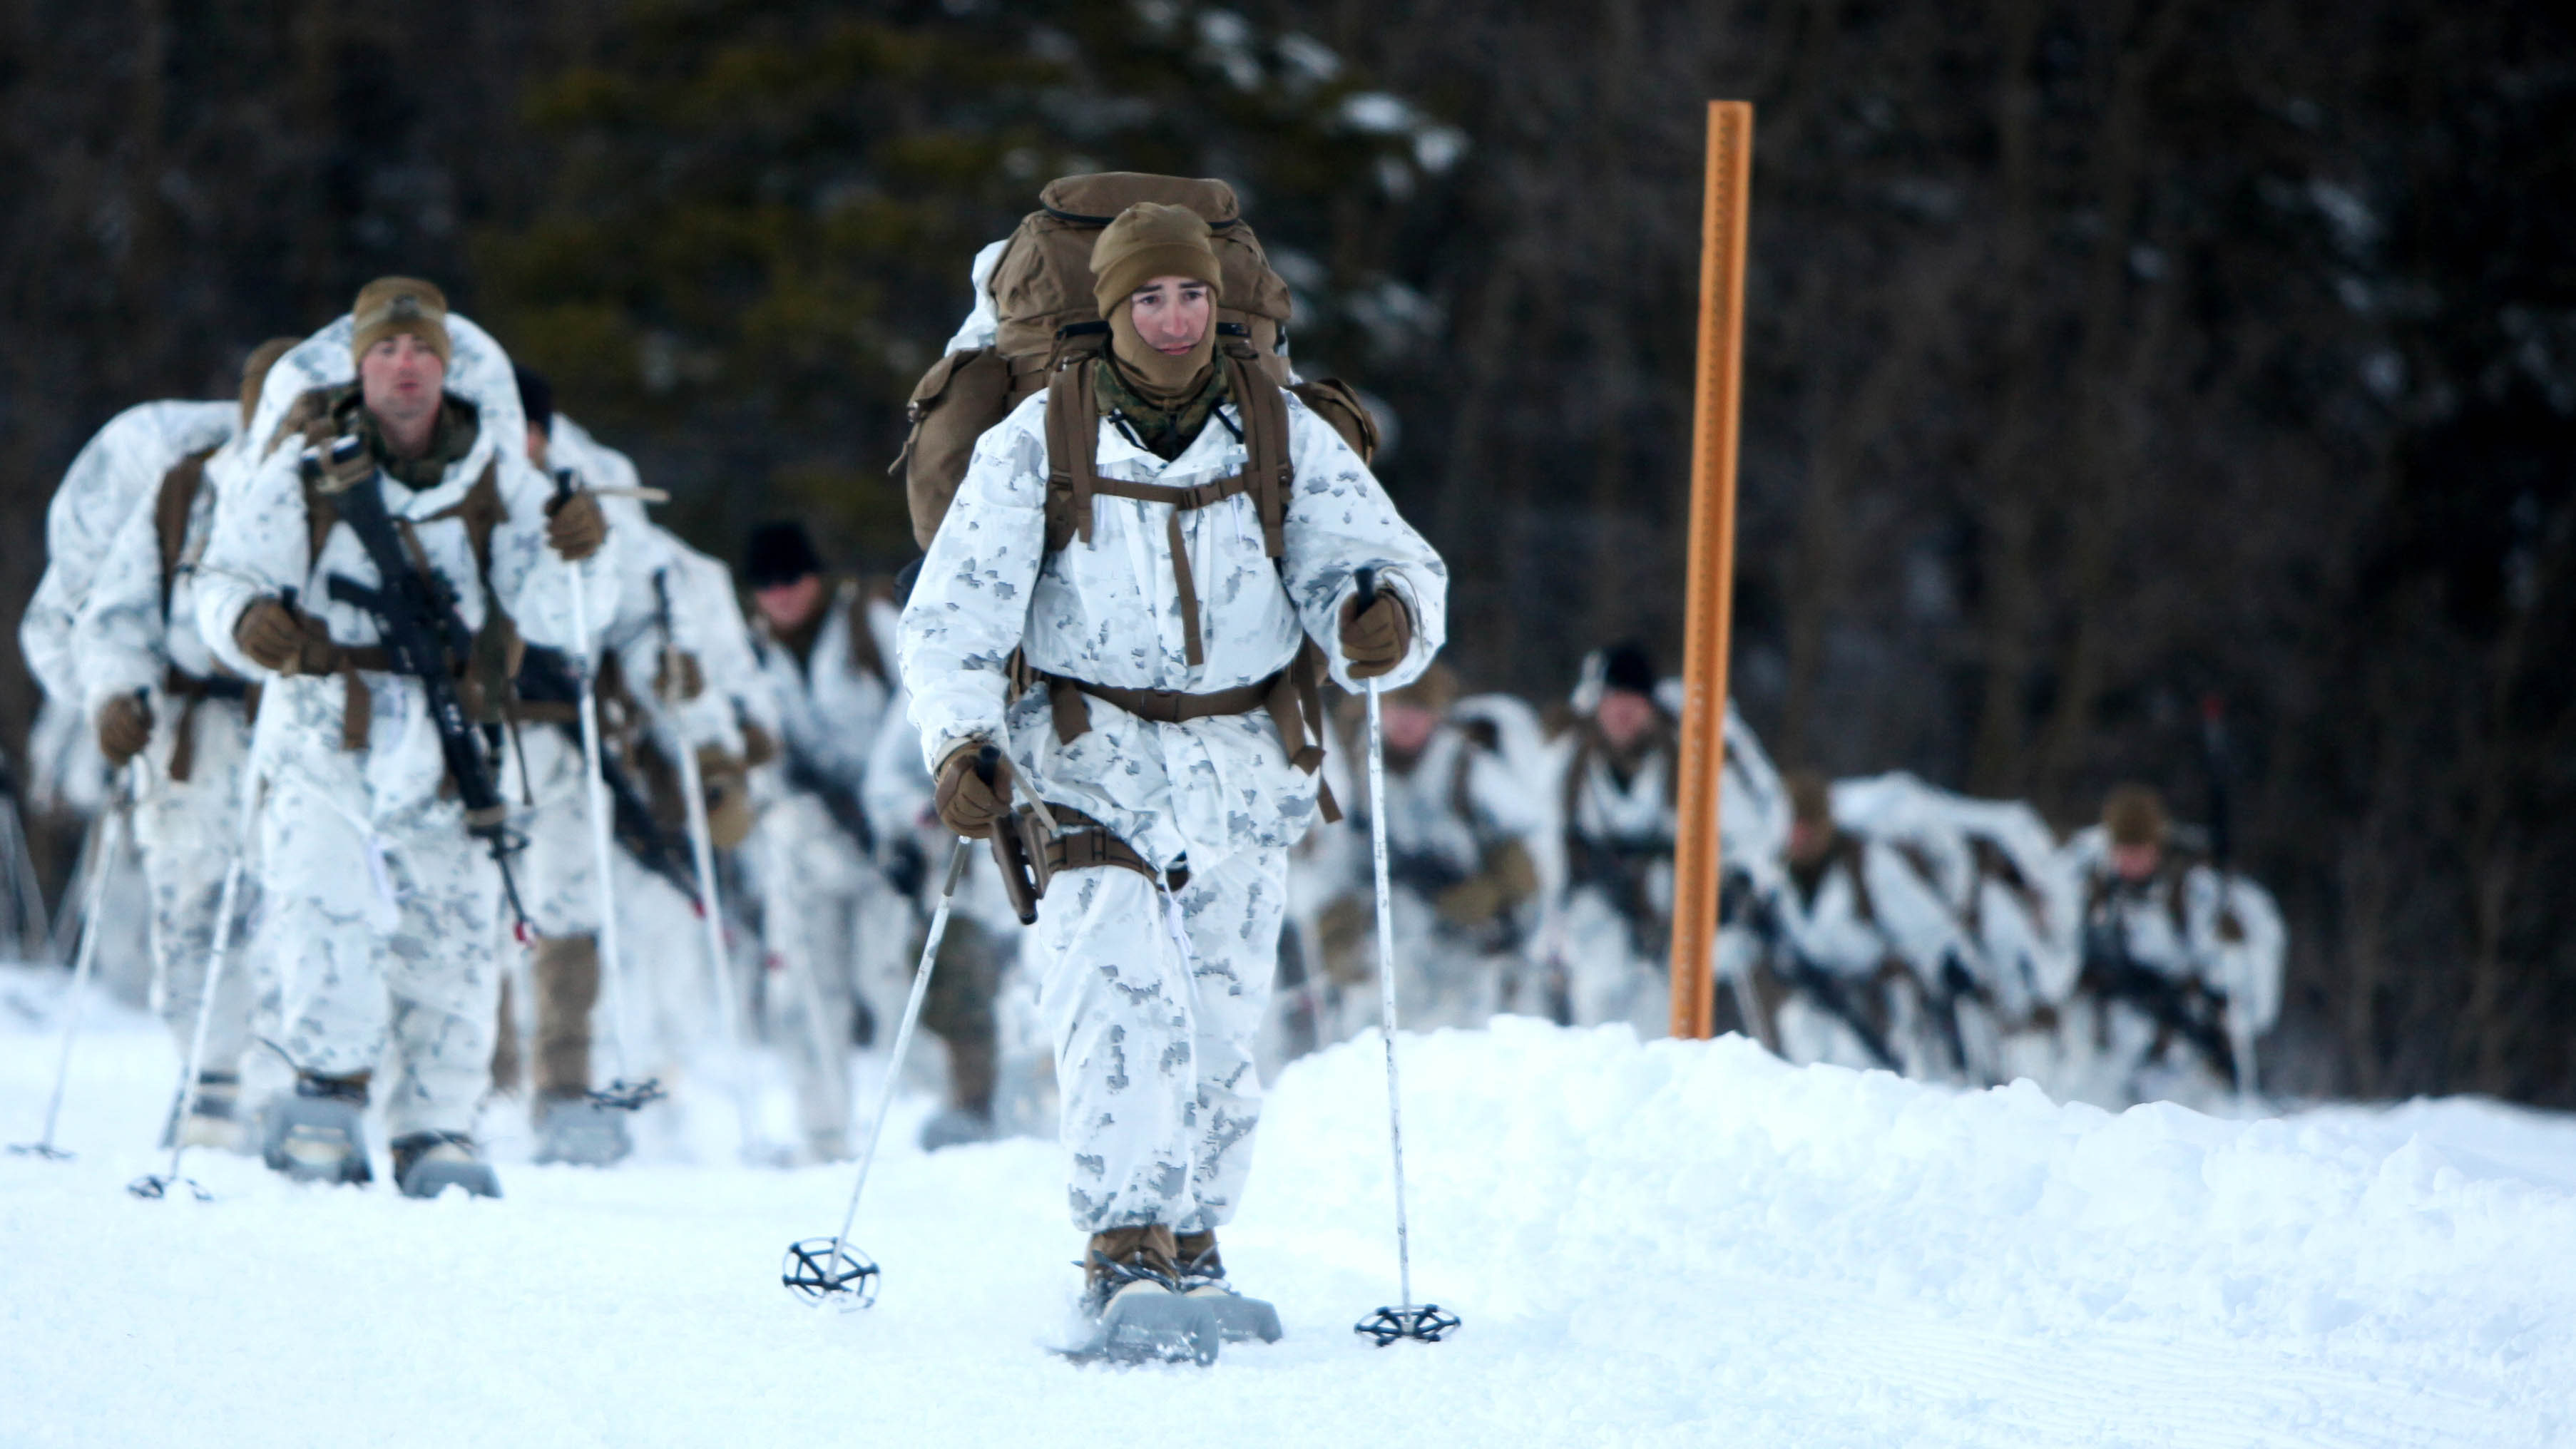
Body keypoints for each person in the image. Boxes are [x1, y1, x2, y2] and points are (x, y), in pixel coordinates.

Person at [900, 201, 1446, 1353]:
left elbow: (1376, 558)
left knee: (1216, 1014)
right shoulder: (1035, 440)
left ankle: (1193, 1241)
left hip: (1242, 764)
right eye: (1147, 297)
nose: (1174, 317)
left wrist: (1380, 620)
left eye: (1192, 294)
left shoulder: (1280, 429)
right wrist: (958, 743)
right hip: (1082, 753)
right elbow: (951, 616)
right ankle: (1120, 1247)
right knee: (1114, 992)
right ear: (1109, 310)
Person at [195, 278, 613, 1198]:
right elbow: (220, 580)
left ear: (447, 362)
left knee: (454, 940)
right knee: (321, 914)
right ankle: (325, 1094)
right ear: (359, 363)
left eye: (422, 348)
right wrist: (245, 625)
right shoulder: (301, 471)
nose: (406, 365)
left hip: (450, 734)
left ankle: (436, 1126)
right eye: (386, 349)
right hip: (324, 728)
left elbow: (564, 617)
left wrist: (585, 551)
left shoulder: (501, 476)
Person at [68, 338, 300, 1148]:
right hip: (191, 735)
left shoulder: (332, 489)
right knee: (191, 907)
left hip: (297, 730)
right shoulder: (186, 488)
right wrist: (112, 697)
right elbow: (117, 610)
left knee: (291, 907)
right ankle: (208, 1073)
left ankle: (284, 1082)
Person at [738, 521, 911, 1161]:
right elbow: (747, 745)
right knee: (807, 988)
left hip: (892, 841)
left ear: (815, 577)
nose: (780, 594)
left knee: (888, 977)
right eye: (765, 584)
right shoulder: (752, 652)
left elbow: (921, 705)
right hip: (805, 844)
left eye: (791, 579)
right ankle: (824, 1134)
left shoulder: (868, 626)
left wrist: (903, 806)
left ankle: (925, 1124)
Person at [1317, 665, 1553, 1035]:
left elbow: (1523, 863)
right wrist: (1338, 940)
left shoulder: (1468, 769)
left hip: (1466, 948)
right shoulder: (1358, 773)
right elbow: (1339, 868)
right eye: (1398, 707)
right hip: (1387, 945)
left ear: (1437, 715)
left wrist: (1487, 897)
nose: (1407, 720)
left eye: (1419, 709)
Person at [2061, 784, 2284, 1107]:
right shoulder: (2088, 886)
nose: (2131, 861)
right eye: (2124, 851)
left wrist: (2222, 975)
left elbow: (2238, 978)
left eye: (2140, 851)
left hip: (2184, 1053)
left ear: (2158, 847)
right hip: (2108, 1046)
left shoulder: (2195, 890)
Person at [1745, 771, 1974, 1077]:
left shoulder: (1865, 865)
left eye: (1805, 825)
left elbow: (1921, 922)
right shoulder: (1772, 878)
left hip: (1878, 1018)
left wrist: (1947, 961)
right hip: (1812, 1023)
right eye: (1791, 825)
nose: (1796, 836)